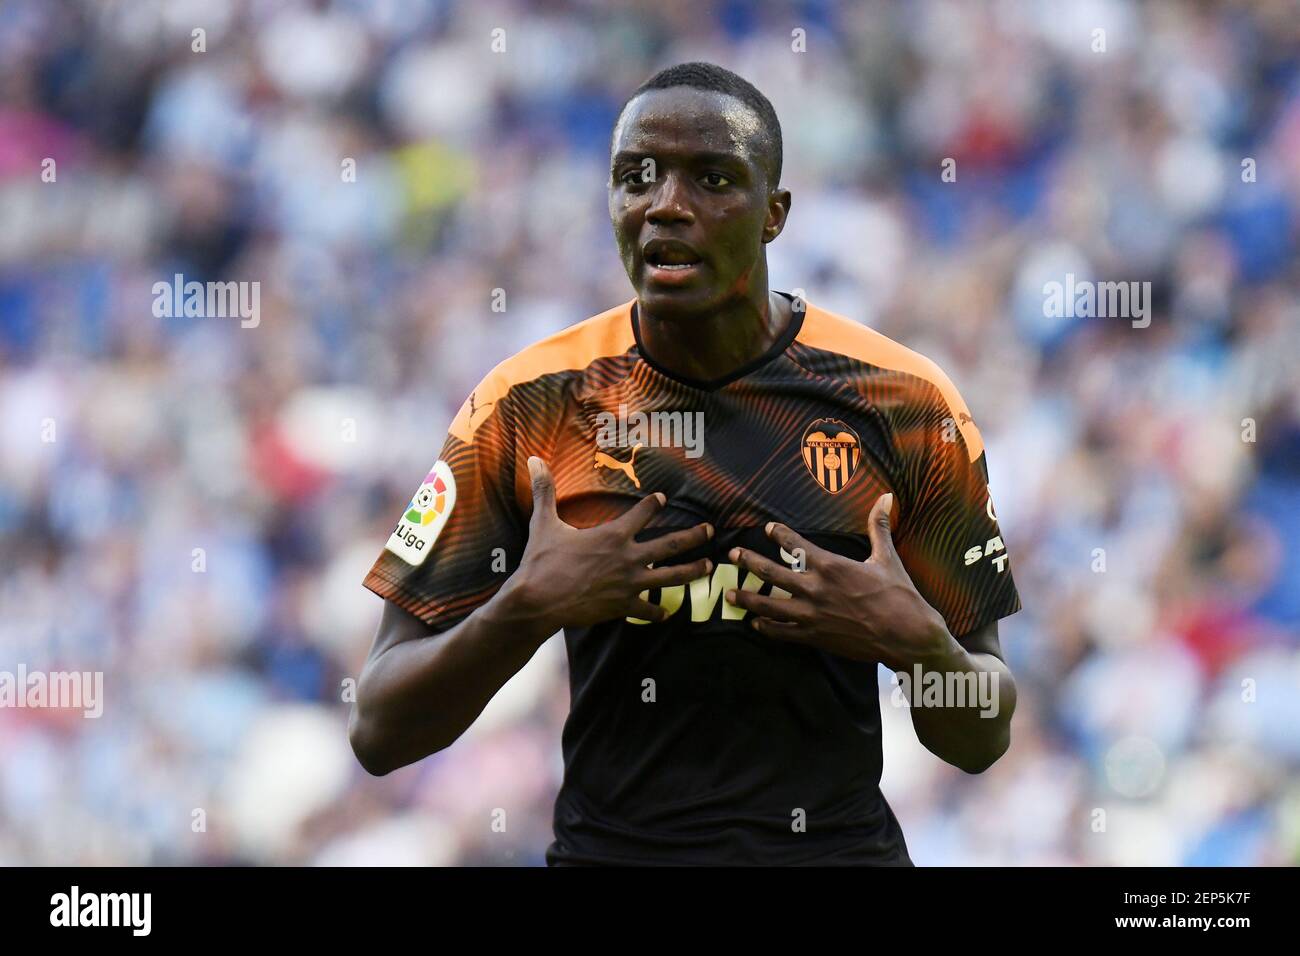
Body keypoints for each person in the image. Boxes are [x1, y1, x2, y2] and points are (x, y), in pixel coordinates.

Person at [350, 62, 1022, 865]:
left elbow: (983, 735)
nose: (666, 204)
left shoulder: (903, 404)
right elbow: (379, 728)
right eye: (636, 176)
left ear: (774, 215)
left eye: (712, 178)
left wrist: (920, 649)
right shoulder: (529, 403)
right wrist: (523, 611)